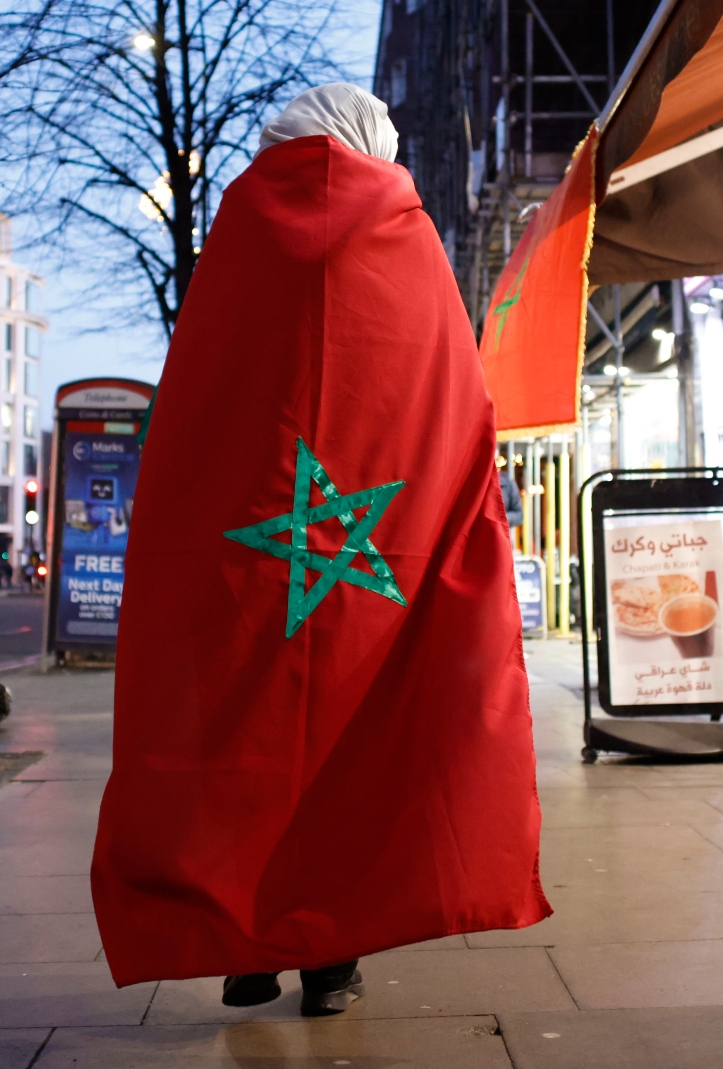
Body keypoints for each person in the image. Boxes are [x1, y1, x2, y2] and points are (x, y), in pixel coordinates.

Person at [92, 83, 550, 1019]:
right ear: (371, 138)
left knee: (246, 742)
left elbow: (196, 413)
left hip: (249, 566)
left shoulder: (239, 238)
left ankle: (247, 946)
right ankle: (330, 958)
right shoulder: (407, 231)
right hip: (383, 561)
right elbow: (451, 401)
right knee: (357, 746)